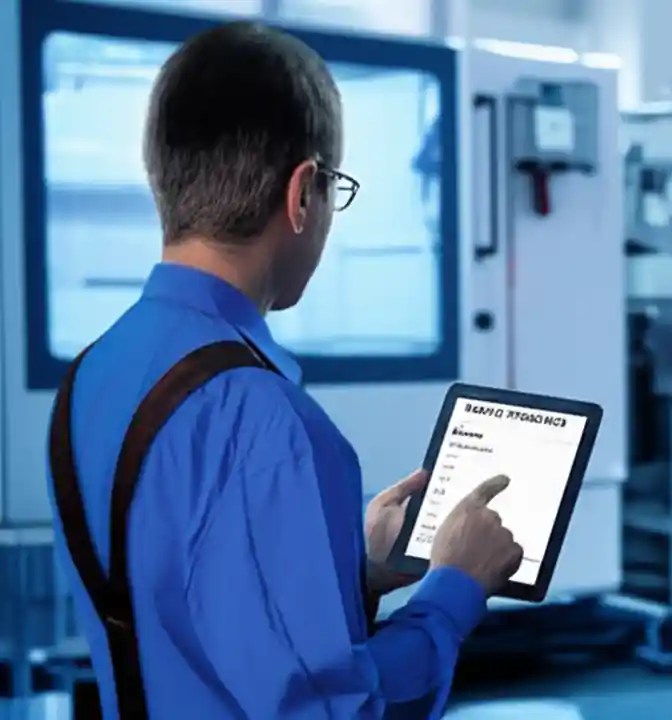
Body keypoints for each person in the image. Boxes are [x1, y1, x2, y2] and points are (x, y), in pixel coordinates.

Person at [44, 22, 522, 720]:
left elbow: (189, 617)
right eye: (337, 190)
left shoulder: (91, 377)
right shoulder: (267, 421)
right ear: (304, 194)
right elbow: (337, 712)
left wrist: (350, 570)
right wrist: (455, 587)